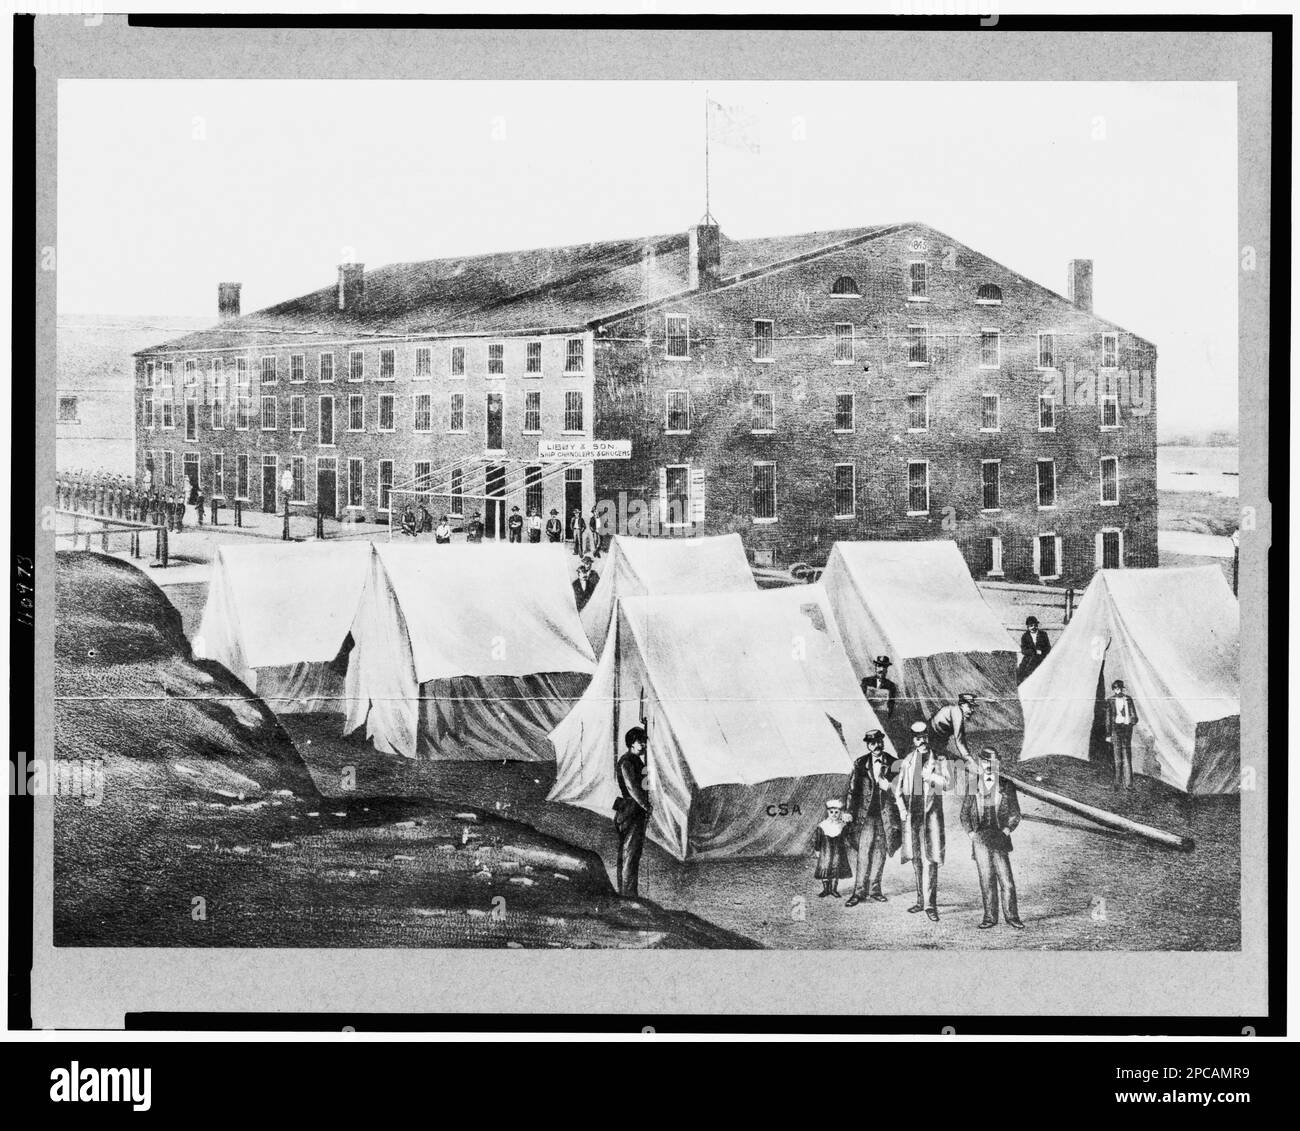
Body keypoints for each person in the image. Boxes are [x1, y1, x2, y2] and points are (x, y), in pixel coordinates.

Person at [959, 748, 1024, 929]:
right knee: (986, 881)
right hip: (980, 839)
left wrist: (1006, 830)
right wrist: (972, 834)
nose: (989, 766)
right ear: (980, 763)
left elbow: (1015, 813)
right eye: (986, 762)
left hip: (999, 837)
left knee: (1007, 882)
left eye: (993, 763)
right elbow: (964, 814)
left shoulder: (1006, 785)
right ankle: (990, 918)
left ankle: (1012, 917)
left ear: (998, 764)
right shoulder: (973, 784)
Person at [896, 719, 950, 921]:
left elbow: (948, 784)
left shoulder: (940, 760)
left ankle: (930, 905)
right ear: (914, 740)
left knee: (930, 860)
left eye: (925, 737)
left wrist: (931, 777)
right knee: (917, 860)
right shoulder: (908, 760)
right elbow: (898, 789)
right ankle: (920, 901)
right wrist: (902, 810)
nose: (923, 741)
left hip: (931, 818)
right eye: (918, 738)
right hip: (913, 818)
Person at [844, 729, 902, 906]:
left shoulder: (894, 763)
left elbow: (901, 791)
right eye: (872, 743)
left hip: (886, 816)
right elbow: (853, 791)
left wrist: (889, 788)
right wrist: (848, 811)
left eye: (878, 742)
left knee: (880, 853)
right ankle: (859, 892)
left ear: (882, 743)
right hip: (866, 817)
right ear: (868, 745)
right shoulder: (860, 763)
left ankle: (875, 890)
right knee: (863, 854)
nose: (876, 745)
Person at [613, 726, 651, 896]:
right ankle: (627, 894)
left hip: (637, 812)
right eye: (639, 741)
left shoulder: (640, 762)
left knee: (634, 853)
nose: (642, 745)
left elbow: (647, 787)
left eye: (644, 741)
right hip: (630, 810)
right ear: (631, 743)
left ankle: (629, 892)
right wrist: (646, 806)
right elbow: (632, 788)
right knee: (630, 853)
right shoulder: (627, 761)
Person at [928, 692, 979, 796]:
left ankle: (928, 777)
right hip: (931, 742)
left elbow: (961, 738)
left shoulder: (956, 712)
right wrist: (971, 761)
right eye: (969, 706)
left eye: (973, 707)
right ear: (962, 704)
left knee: (947, 782)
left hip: (938, 744)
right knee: (947, 782)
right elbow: (959, 741)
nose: (972, 710)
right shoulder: (957, 713)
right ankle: (925, 776)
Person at [811, 799, 853, 899]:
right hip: (826, 852)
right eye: (831, 812)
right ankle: (826, 890)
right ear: (828, 812)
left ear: (840, 813)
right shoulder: (822, 826)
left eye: (836, 812)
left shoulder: (842, 826)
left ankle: (834, 890)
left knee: (835, 870)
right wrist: (817, 850)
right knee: (825, 870)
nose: (834, 814)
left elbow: (848, 836)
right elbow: (817, 839)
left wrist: (849, 824)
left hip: (838, 852)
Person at [1106, 678, 1140, 791]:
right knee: (1117, 758)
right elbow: (1108, 719)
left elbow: (1135, 716)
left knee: (1127, 757)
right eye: (1115, 689)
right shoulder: (1110, 700)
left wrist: (1131, 722)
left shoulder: (1128, 699)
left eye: (1119, 688)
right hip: (1115, 729)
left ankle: (1129, 785)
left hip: (1126, 730)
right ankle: (1117, 784)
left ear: (1123, 688)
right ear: (1113, 689)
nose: (1118, 690)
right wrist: (1108, 734)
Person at [1018, 616, 1051, 683]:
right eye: (1031, 625)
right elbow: (1023, 650)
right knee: (1021, 672)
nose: (1033, 627)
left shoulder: (1043, 634)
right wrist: (1033, 652)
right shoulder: (1025, 636)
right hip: (1029, 658)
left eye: (1035, 625)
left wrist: (1041, 652)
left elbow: (1048, 648)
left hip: (1041, 658)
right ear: (1027, 627)